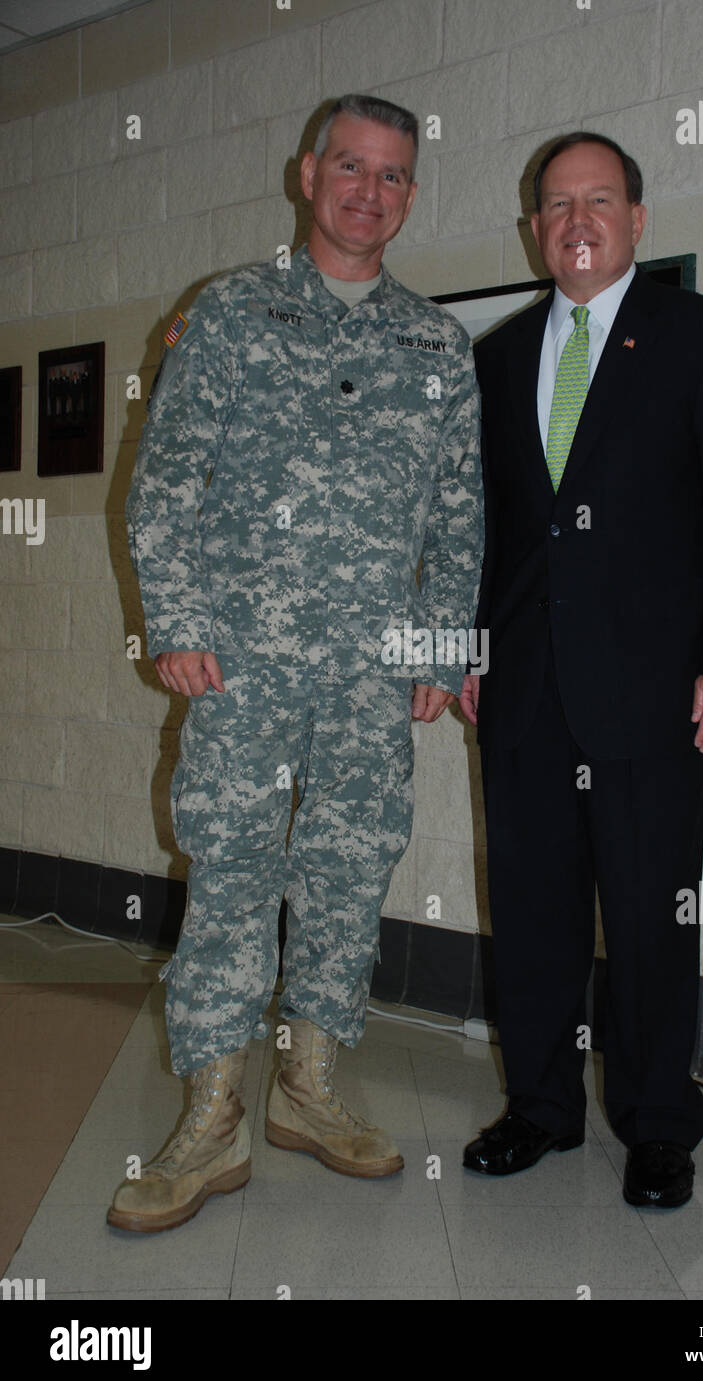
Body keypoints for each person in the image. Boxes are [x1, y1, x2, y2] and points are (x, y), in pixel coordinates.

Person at [109, 94, 483, 1233]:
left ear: (410, 194)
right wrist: (174, 618)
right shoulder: (230, 314)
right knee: (228, 866)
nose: (371, 190)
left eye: (394, 174)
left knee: (347, 866)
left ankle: (309, 1089)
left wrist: (437, 642)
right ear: (307, 175)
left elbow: (458, 517)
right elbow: (165, 479)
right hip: (242, 666)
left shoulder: (438, 346)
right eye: (351, 167)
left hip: (374, 671)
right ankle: (213, 1113)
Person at [459, 132, 703, 1207]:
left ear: (638, 221)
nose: (577, 219)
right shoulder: (499, 358)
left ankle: (656, 1125)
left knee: (649, 914)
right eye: (556, 204)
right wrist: (469, 647)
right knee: (535, 910)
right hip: (524, 693)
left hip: (653, 691)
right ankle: (539, 1106)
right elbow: (487, 531)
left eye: (599, 199)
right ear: (534, 228)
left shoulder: (702, 336)